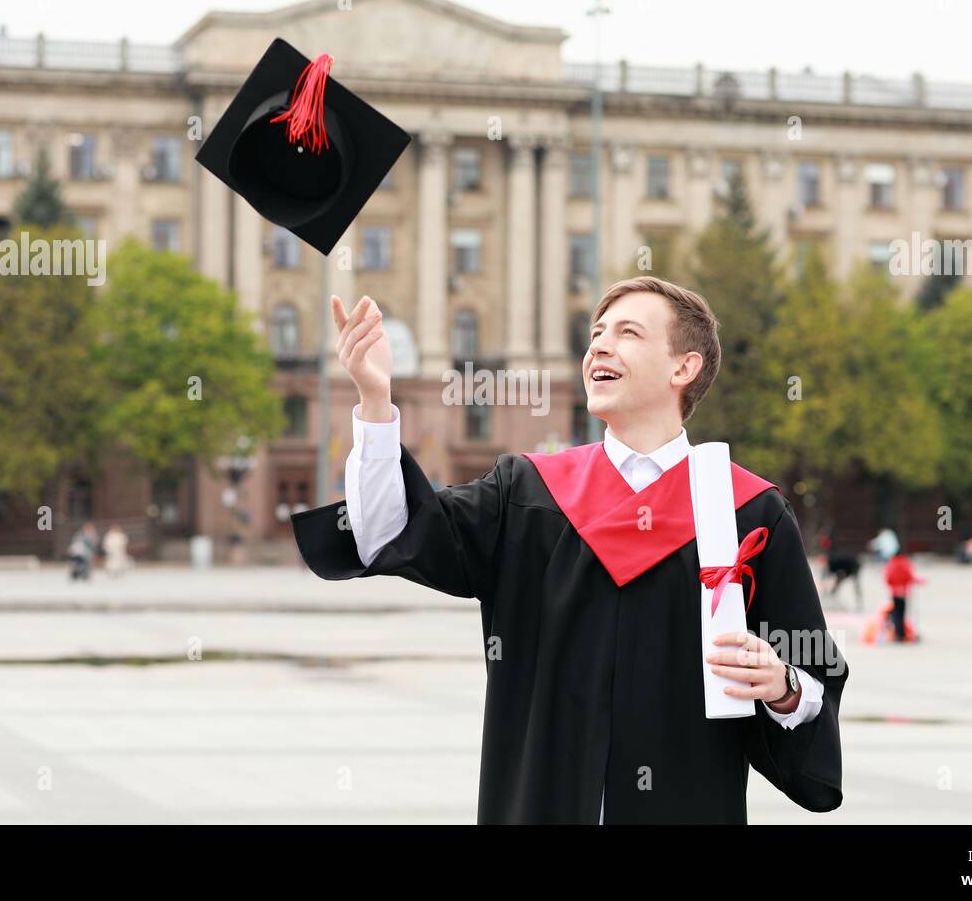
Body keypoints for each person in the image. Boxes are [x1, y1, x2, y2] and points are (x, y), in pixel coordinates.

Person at [292, 278, 847, 824]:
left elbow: (812, 672)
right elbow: (389, 530)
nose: (599, 346)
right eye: (596, 333)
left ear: (684, 368)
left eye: (628, 333)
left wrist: (781, 686)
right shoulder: (527, 493)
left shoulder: (747, 511)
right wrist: (375, 399)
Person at [882, 553, 925, 643]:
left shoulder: (891, 563)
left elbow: (888, 578)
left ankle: (898, 634)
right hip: (903, 592)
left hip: (894, 592)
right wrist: (919, 581)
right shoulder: (905, 563)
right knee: (902, 614)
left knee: (896, 613)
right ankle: (902, 634)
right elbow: (909, 576)